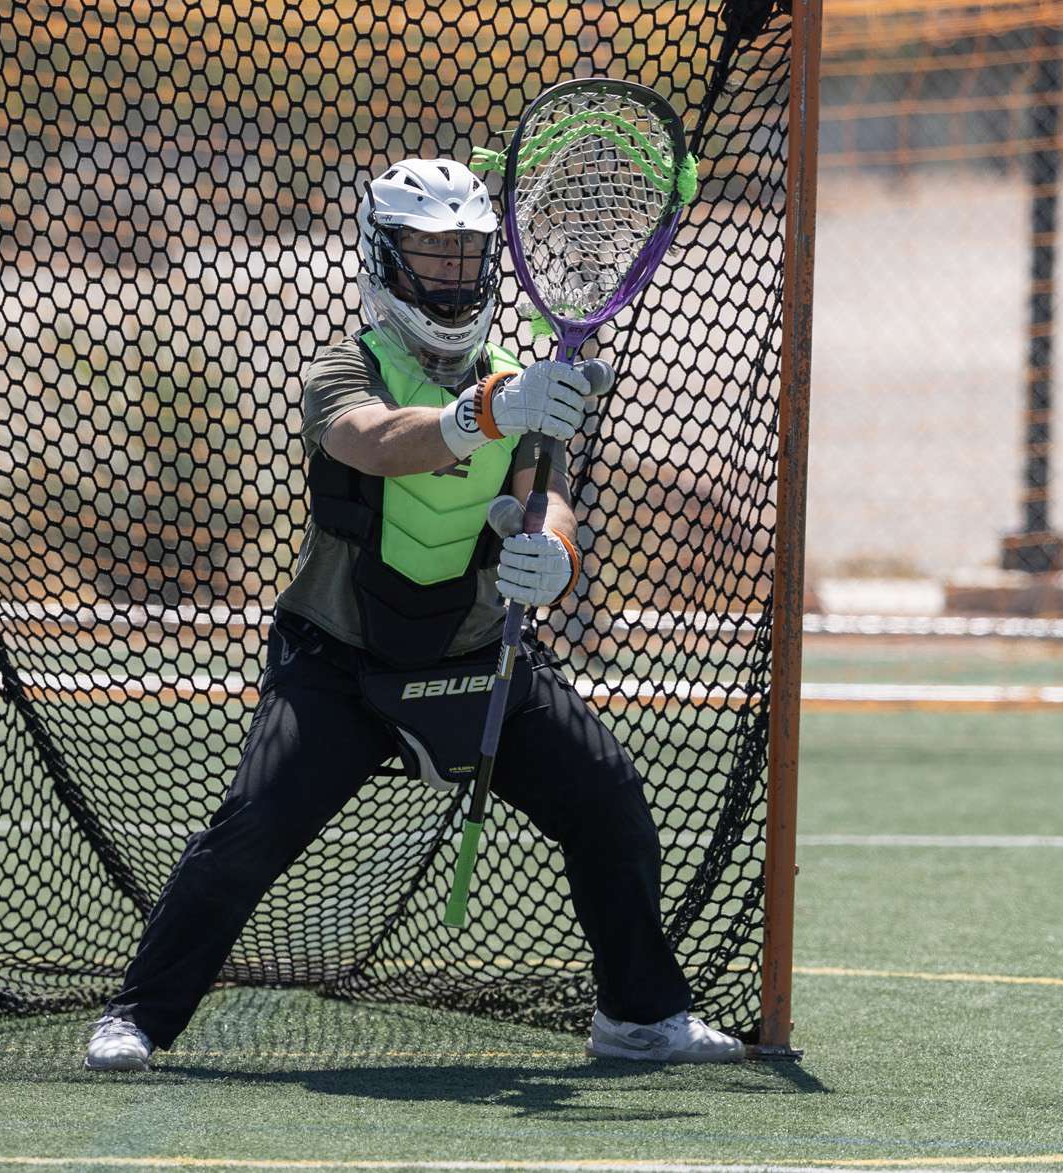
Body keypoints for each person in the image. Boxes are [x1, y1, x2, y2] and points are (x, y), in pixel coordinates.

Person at [83, 157, 742, 1071]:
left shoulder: (522, 378)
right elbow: (371, 440)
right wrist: (486, 412)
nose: (454, 275)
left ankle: (639, 1015)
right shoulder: (346, 366)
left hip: (481, 652)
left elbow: (544, 492)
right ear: (385, 257)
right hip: (339, 661)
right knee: (250, 829)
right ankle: (141, 1017)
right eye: (433, 255)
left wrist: (553, 554)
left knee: (610, 798)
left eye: (468, 255)